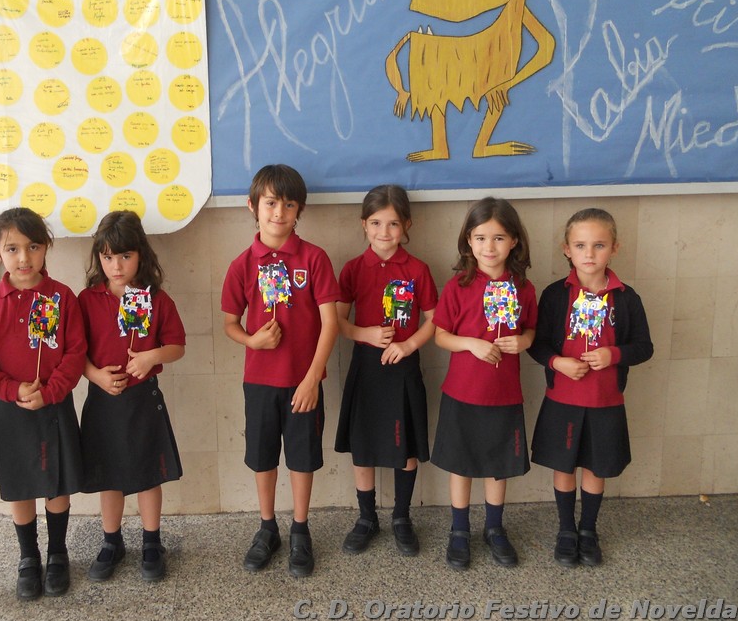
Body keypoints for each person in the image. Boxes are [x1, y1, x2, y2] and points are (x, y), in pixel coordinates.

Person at [221, 164, 340, 578]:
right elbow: (230, 324)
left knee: (303, 459)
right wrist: (252, 340)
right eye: (271, 203)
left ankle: (301, 529)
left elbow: (331, 322)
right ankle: (267, 527)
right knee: (263, 457)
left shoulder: (314, 258)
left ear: (299, 210)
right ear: (253, 206)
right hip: (259, 381)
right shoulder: (242, 264)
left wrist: (312, 377)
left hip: (302, 382)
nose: (279, 213)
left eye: (289, 205)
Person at [0, 207, 86, 601]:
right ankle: (28, 557)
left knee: (55, 482)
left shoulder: (61, 297)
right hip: (6, 409)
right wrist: (11, 389)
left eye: (33, 247)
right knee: (18, 483)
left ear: (46, 248)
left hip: (52, 406)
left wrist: (50, 391)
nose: (24, 258)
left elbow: (74, 353)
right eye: (13, 248)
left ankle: (57, 553)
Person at [528, 208, 653, 568]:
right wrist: (558, 362)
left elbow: (644, 347)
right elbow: (538, 344)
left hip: (605, 401)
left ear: (614, 248)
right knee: (564, 465)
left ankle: (588, 529)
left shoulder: (626, 298)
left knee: (595, 468)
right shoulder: (555, 295)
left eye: (598, 245)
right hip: (564, 399)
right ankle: (566, 529)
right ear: (566, 249)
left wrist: (612, 354)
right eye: (580, 245)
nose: (589, 253)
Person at [430, 197, 537, 570]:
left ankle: (494, 527)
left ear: (514, 243)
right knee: (461, 464)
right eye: (480, 238)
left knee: (497, 465)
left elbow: (531, 331)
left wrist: (522, 342)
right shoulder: (458, 285)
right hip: (463, 392)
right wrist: (471, 344)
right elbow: (441, 335)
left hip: (504, 394)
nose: (488, 247)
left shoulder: (523, 288)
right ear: (468, 241)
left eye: (498, 238)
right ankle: (459, 529)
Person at [79, 211, 185, 582]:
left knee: (146, 475)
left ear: (140, 254)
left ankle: (152, 542)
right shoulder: (87, 299)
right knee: (109, 475)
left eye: (124, 256)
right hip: (103, 401)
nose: (116, 266)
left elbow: (176, 346)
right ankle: (112, 542)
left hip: (142, 401)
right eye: (108, 257)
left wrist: (152, 356)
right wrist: (95, 376)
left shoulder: (156, 299)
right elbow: (76, 353)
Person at [334, 185, 438, 556]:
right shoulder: (352, 269)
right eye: (376, 223)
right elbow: (336, 322)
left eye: (393, 224)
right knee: (363, 446)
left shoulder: (417, 270)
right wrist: (363, 333)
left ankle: (401, 517)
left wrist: (408, 345)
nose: (384, 232)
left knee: (405, 445)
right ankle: (366, 518)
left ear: (406, 225)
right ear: (364, 224)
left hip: (404, 369)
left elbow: (435, 321)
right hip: (366, 368)